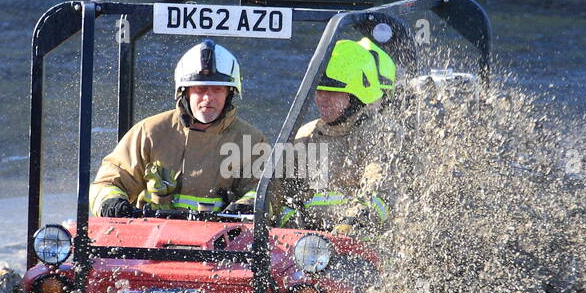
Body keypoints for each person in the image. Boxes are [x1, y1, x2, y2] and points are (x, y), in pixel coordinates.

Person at [90, 39, 269, 216]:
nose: (208, 98)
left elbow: (266, 191)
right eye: (200, 89)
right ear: (185, 92)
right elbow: (108, 182)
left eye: (217, 89)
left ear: (230, 93)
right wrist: (111, 203)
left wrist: (249, 206)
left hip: (226, 240)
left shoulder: (250, 140)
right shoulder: (150, 132)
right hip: (151, 239)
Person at [275, 37, 396, 236]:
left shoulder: (382, 136)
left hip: (364, 246)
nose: (321, 98)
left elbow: (378, 190)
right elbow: (280, 191)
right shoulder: (305, 136)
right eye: (318, 90)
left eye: (332, 92)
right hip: (306, 247)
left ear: (356, 97)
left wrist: (352, 222)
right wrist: (290, 222)